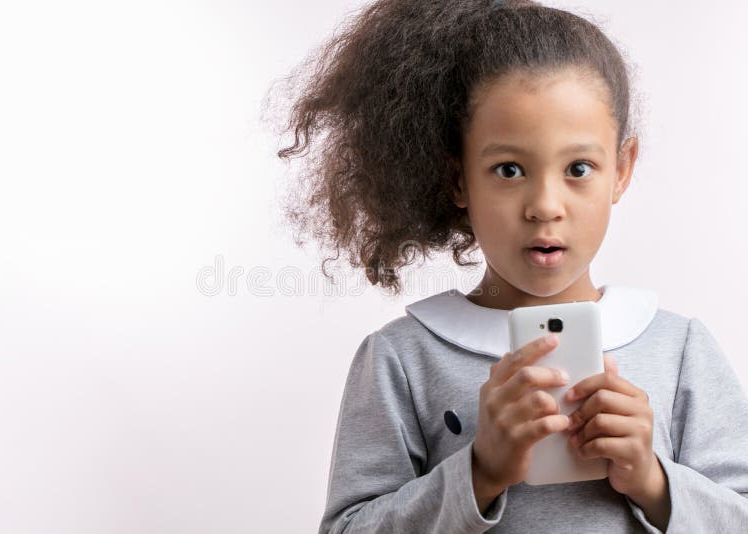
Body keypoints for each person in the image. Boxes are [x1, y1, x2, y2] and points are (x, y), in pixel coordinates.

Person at [270, 0, 748, 532]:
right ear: (457, 179)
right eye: (509, 169)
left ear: (622, 169)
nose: (545, 204)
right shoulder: (402, 359)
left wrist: (654, 483)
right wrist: (478, 471)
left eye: (579, 168)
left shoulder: (680, 351)